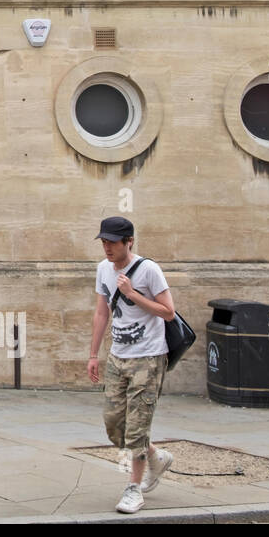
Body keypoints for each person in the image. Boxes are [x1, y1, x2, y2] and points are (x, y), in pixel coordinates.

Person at [87, 216, 176, 514]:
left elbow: (168, 312)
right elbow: (101, 314)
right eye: (103, 242)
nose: (107, 247)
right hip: (117, 357)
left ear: (129, 242)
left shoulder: (149, 270)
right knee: (115, 426)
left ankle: (133, 489)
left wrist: (133, 295)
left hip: (148, 358)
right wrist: (93, 354)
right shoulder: (103, 269)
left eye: (112, 242)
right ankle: (156, 456)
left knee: (137, 428)